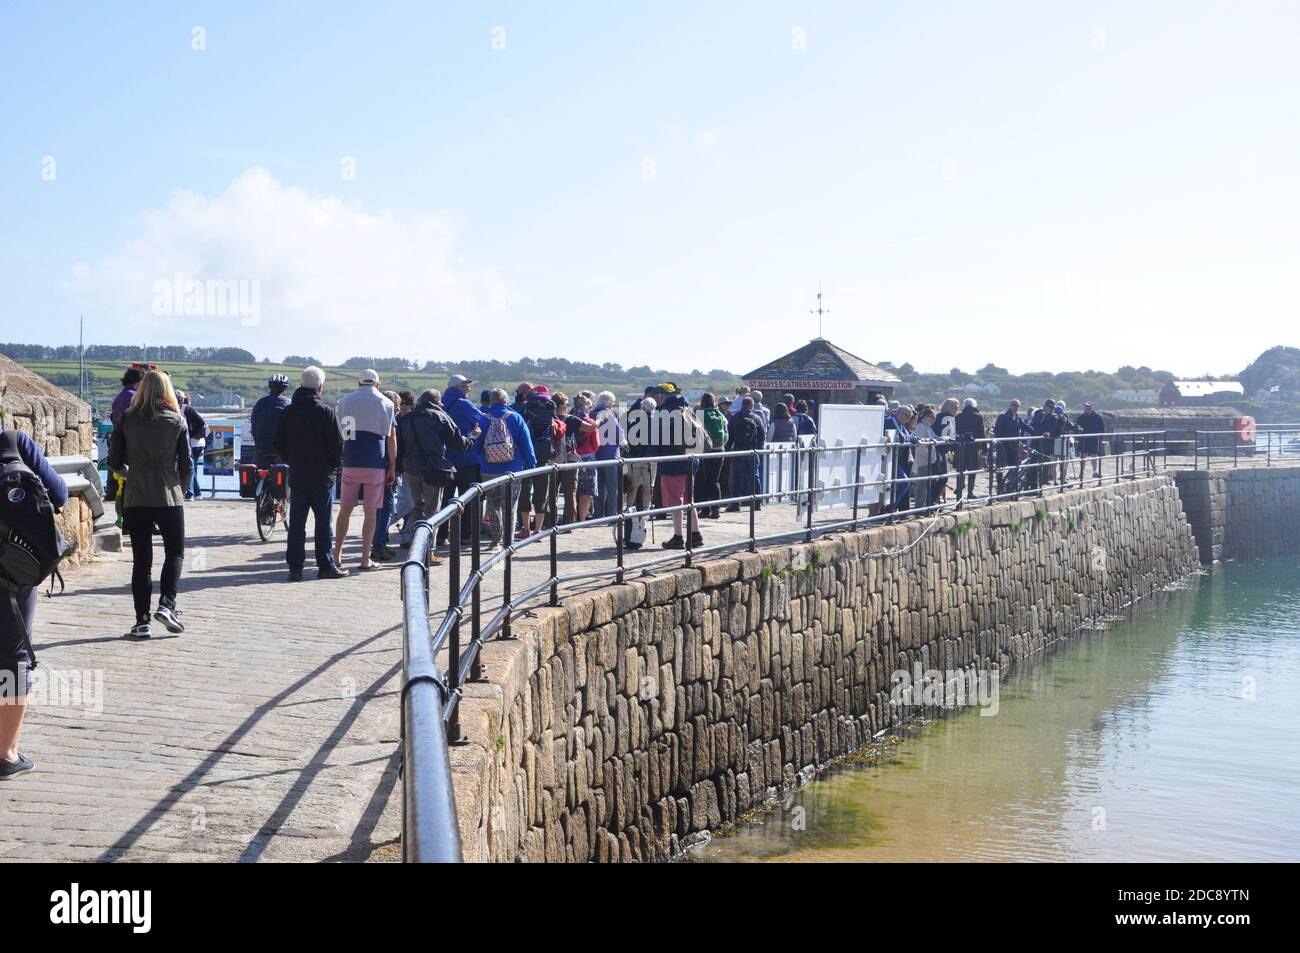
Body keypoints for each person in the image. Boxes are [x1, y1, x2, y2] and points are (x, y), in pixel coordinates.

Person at [0, 428, 68, 780]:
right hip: (11, 572)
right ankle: (6, 753)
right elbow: (59, 494)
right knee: (12, 659)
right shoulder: (14, 442)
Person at [107, 369, 191, 639]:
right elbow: (187, 464)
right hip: (169, 495)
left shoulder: (127, 420)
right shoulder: (177, 421)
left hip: (136, 496)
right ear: (167, 390)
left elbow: (113, 462)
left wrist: (129, 473)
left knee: (141, 561)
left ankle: (142, 621)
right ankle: (167, 605)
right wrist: (182, 489)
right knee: (175, 553)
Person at [273, 366, 346, 581]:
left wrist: (291, 459)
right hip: (322, 476)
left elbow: (278, 443)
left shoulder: (288, 412)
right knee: (323, 524)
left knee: (297, 524)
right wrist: (332, 466)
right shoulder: (326, 412)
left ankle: (295, 568)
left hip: (298, 474)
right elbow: (337, 445)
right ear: (320, 387)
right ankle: (325, 565)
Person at [333, 369, 396, 571]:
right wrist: (392, 467)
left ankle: (337, 555)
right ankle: (364, 559)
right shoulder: (386, 403)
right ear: (377, 384)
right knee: (371, 513)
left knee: (345, 511)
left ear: (359, 383)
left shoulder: (345, 401)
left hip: (350, 460)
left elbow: (340, 433)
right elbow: (391, 439)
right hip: (375, 463)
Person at [398, 389, 474, 538]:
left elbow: (400, 447)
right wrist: (473, 437)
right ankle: (427, 550)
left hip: (410, 468)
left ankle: (410, 539)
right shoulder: (440, 416)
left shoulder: (406, 419)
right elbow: (459, 444)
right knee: (432, 510)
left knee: (417, 507)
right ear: (437, 402)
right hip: (433, 468)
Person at [475, 388, 537, 547]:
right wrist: (531, 464)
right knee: (510, 506)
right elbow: (526, 443)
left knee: (492, 503)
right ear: (505, 400)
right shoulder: (516, 418)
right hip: (512, 469)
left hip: (488, 469)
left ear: (490, 401)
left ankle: (496, 538)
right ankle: (508, 542)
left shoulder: (483, 419)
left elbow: (475, 446)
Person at [654, 384, 706, 549]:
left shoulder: (664, 413)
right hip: (691, 461)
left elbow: (657, 440)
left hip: (672, 463)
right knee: (689, 499)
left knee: (676, 501)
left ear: (661, 396)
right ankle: (695, 535)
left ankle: (678, 537)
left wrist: (648, 457)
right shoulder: (687, 409)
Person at [443, 374, 489, 543]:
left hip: (444, 459)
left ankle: (441, 535)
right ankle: (465, 535)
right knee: (468, 498)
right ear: (457, 387)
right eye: (465, 386)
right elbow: (482, 421)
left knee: (445, 500)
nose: (468, 389)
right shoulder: (464, 404)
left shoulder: (441, 402)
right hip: (466, 457)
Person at [519, 384, 559, 538]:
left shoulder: (527, 406)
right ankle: (538, 530)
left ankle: (525, 528)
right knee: (541, 493)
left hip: (526, 456)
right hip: (544, 455)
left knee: (524, 491)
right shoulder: (550, 408)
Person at [622, 394, 658, 548]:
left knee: (633, 489)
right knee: (648, 489)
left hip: (636, 460)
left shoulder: (635, 420)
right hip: (651, 460)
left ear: (642, 408)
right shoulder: (658, 421)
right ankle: (644, 516)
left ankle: (629, 515)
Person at [560, 393, 600, 523]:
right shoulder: (589, 422)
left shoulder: (565, 418)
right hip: (587, 458)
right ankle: (581, 520)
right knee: (586, 492)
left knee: (572, 491)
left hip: (569, 457)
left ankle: (568, 518)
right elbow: (596, 444)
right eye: (590, 406)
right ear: (586, 407)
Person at [724, 396, 765, 512]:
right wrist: (758, 449)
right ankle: (757, 503)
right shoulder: (756, 418)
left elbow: (730, 435)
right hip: (753, 452)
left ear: (742, 405)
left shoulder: (735, 417)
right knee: (755, 477)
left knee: (738, 478)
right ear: (752, 406)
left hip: (739, 450)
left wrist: (728, 449)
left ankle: (736, 504)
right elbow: (762, 436)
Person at [592, 391, 623, 520]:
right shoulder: (609, 415)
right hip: (610, 455)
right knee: (612, 487)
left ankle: (598, 514)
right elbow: (619, 435)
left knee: (598, 487)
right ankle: (612, 515)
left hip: (595, 455)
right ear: (608, 402)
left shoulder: (592, 414)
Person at [696, 393, 727, 519]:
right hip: (720, 450)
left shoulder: (700, 414)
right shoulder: (720, 414)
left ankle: (705, 509)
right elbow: (726, 433)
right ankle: (716, 509)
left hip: (705, 451)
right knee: (715, 480)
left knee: (703, 480)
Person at [250, 374, 291, 466]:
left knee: (254, 476)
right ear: (285, 388)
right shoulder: (289, 404)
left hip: (261, 452)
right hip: (283, 453)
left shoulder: (260, 403)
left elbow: (254, 427)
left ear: (269, 387)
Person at [883, 404, 916, 512]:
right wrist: (910, 439)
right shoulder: (890, 421)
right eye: (907, 417)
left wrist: (913, 439)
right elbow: (902, 438)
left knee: (903, 483)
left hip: (894, 459)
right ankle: (888, 509)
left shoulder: (899, 424)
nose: (907, 421)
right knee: (904, 482)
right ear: (901, 414)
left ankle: (890, 508)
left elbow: (908, 436)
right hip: (886, 458)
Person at [178, 391, 208, 501]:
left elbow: (201, 422)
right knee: (192, 468)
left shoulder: (185, 409)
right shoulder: (189, 409)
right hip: (198, 443)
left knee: (190, 468)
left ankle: (190, 494)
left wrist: (190, 434)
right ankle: (197, 493)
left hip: (193, 443)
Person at [954, 397, 986, 500]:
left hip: (961, 446)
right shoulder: (978, 417)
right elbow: (982, 434)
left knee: (960, 469)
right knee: (972, 470)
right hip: (973, 447)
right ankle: (970, 493)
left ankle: (959, 489)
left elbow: (955, 432)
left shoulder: (958, 417)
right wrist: (984, 449)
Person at [993, 399, 1025, 494]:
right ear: (1010, 405)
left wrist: (1041, 434)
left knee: (1014, 467)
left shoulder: (1018, 418)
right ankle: (1000, 487)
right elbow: (997, 431)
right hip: (1003, 447)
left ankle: (1009, 485)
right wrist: (1000, 442)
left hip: (1014, 447)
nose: (1015, 407)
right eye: (1014, 405)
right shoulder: (1002, 417)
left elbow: (1027, 427)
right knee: (1000, 468)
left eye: (1017, 406)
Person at [911, 405, 940, 510]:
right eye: (932, 418)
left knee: (926, 484)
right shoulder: (920, 427)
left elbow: (935, 437)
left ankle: (923, 506)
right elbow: (920, 445)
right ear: (926, 416)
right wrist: (928, 456)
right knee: (922, 485)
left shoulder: (927, 427)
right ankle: (919, 507)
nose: (933, 420)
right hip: (922, 460)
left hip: (927, 459)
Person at [1077, 400, 1106, 479]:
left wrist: (1101, 438)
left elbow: (1102, 428)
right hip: (1084, 439)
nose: (1087, 408)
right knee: (1083, 456)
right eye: (1086, 406)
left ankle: (1095, 472)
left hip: (1093, 439)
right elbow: (1077, 428)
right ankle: (1082, 472)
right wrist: (1079, 437)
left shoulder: (1098, 417)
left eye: (1088, 406)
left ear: (1092, 407)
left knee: (1094, 456)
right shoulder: (1081, 417)